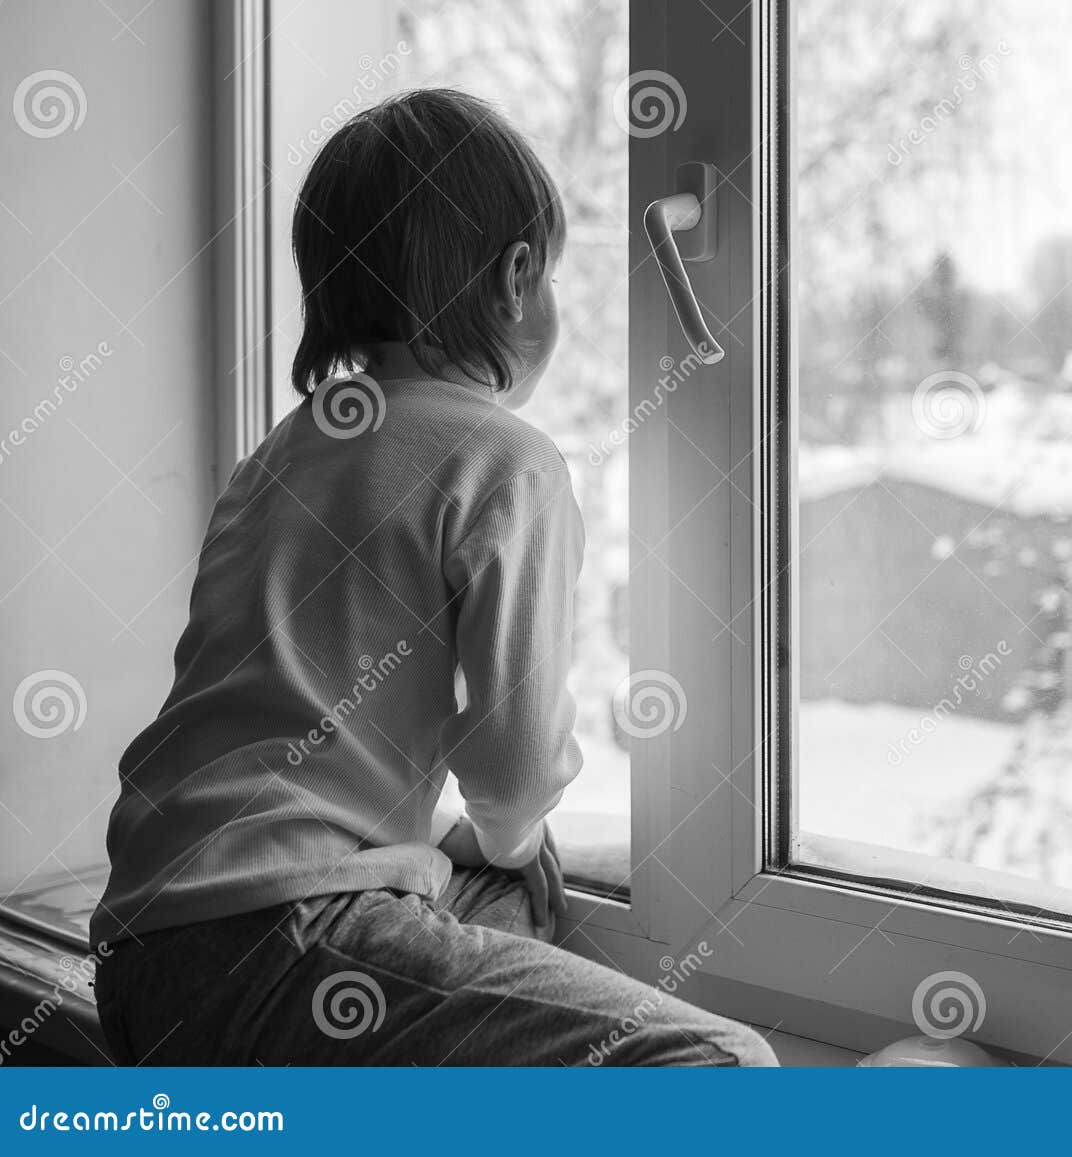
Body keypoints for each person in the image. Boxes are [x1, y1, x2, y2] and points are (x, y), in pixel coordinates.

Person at [90, 88, 775, 1067]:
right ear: (518, 275)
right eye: (554, 282)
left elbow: (281, 705)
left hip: (142, 956)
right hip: (290, 941)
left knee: (491, 905)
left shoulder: (282, 454)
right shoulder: (505, 458)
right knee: (722, 1063)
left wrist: (453, 832)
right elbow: (515, 760)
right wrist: (505, 828)